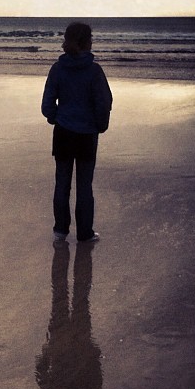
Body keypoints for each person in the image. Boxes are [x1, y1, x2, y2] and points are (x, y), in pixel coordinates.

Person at [41, 22, 113, 243]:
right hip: (86, 135)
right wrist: (100, 125)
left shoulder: (58, 68)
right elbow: (104, 102)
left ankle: (61, 230)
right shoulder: (94, 70)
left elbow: (47, 104)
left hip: (63, 132)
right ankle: (84, 232)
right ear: (86, 42)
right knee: (84, 185)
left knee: (62, 183)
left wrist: (56, 118)